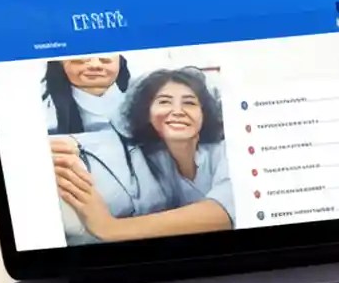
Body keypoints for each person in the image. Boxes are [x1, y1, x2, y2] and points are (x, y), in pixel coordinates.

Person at [52, 67, 235, 242]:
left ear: (205, 113)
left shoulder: (227, 152)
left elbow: (223, 212)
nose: (177, 111)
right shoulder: (155, 156)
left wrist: (110, 227)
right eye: (164, 102)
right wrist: (70, 143)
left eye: (189, 103)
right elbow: (110, 141)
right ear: (147, 113)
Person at [43, 54, 131, 134]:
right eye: (82, 56)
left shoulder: (138, 94)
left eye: (104, 57)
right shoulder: (44, 112)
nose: (95, 65)